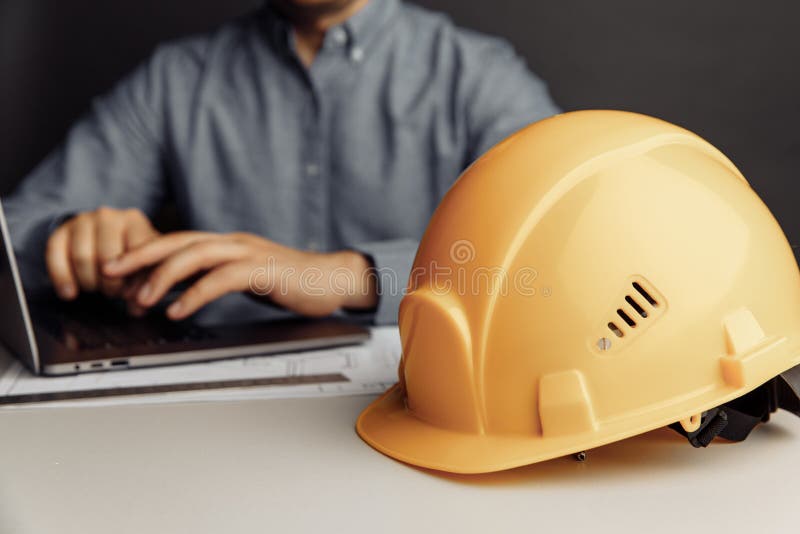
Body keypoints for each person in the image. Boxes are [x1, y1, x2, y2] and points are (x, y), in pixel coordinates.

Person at [3, 0, 559, 326]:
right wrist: (72, 236)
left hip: (419, 397)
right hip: (211, 415)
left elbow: (561, 253)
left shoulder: (478, 75)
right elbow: (18, 226)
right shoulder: (176, 78)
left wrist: (352, 276)